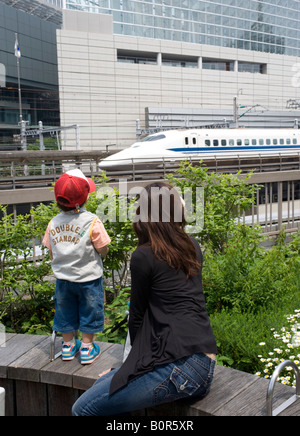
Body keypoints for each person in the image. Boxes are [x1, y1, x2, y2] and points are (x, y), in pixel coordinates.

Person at [72, 181, 217, 416]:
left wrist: (128, 367)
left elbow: (137, 318)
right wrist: (122, 369)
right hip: (203, 364)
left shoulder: (144, 256)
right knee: (102, 383)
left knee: (82, 409)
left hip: (177, 366)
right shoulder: (192, 246)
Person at [42, 169, 111, 364]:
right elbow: (103, 248)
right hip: (89, 278)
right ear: (83, 199)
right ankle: (87, 349)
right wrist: (101, 255)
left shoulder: (53, 223)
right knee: (90, 311)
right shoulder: (92, 222)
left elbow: (51, 251)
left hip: (63, 280)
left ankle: (68, 347)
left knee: (65, 312)